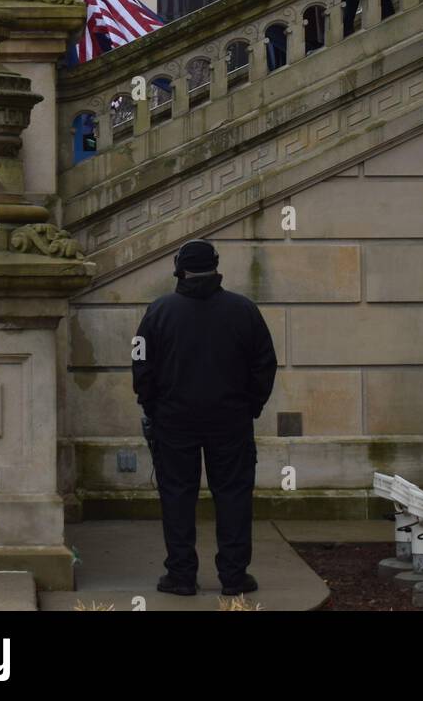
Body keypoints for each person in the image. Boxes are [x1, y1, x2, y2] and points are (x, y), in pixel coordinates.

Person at [131, 238, 277, 598]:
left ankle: (181, 576)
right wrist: (251, 406)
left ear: (180, 269)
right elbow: (264, 364)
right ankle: (233, 576)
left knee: (178, 495)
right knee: (233, 495)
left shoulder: (159, 311)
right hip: (230, 418)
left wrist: (151, 405)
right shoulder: (244, 310)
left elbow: (141, 364)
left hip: (174, 418)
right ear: (216, 267)